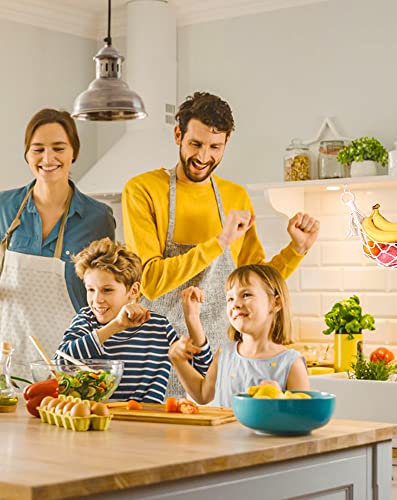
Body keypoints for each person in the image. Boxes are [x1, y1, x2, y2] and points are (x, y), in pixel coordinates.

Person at [122, 92, 319, 395]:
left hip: (220, 357)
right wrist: (219, 242)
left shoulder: (235, 196)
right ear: (178, 135)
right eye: (195, 144)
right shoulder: (143, 190)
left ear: (227, 143)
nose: (203, 157)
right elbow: (151, 282)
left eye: (215, 147)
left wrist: (296, 249)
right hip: (158, 356)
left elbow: (258, 280)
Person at [0, 109, 115, 379]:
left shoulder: (98, 218)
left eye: (58, 148)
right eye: (38, 149)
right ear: (27, 154)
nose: (47, 158)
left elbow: (106, 292)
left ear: (73, 151)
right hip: (6, 358)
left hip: (70, 360)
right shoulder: (4, 208)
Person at [56, 238, 212, 403]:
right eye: (90, 290)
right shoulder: (85, 321)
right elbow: (61, 363)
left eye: (107, 290)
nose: (97, 299)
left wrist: (193, 319)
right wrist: (116, 326)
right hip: (97, 420)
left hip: (146, 423)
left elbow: (203, 374)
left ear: (133, 290)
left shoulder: (158, 327)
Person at [169, 264, 310, 407]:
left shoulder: (291, 364)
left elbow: (302, 417)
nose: (235, 304)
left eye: (246, 295)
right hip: (224, 431)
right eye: (230, 298)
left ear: (276, 303)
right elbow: (202, 394)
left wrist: (278, 399)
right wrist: (178, 361)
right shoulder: (225, 354)